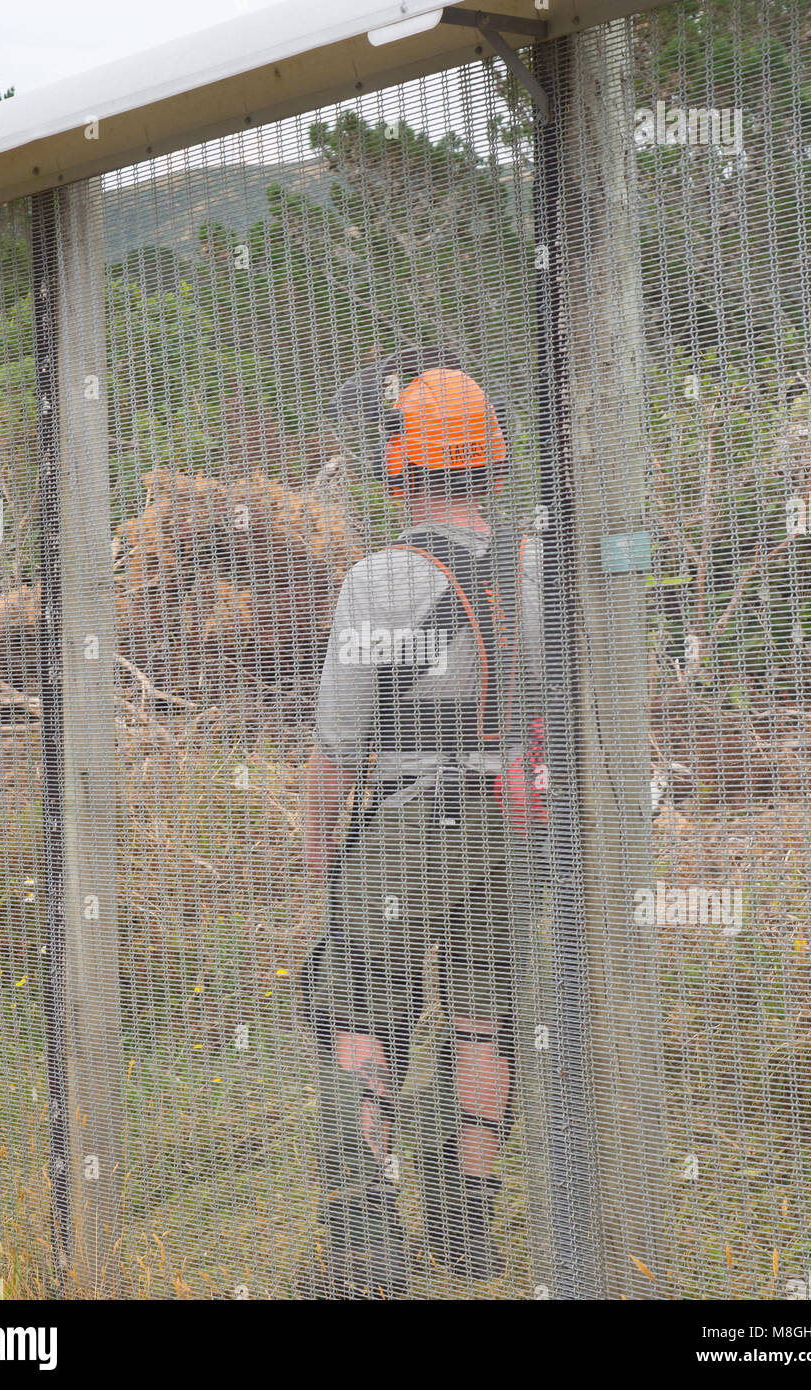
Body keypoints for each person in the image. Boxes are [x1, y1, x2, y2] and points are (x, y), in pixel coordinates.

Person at [300, 349, 544, 1298]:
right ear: (489, 460)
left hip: (404, 823)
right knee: (483, 1021)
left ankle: (367, 1254)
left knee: (357, 1013)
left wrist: (320, 846)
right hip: (509, 824)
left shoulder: (378, 580)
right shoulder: (541, 568)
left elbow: (338, 742)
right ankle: (467, 1233)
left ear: (400, 460)